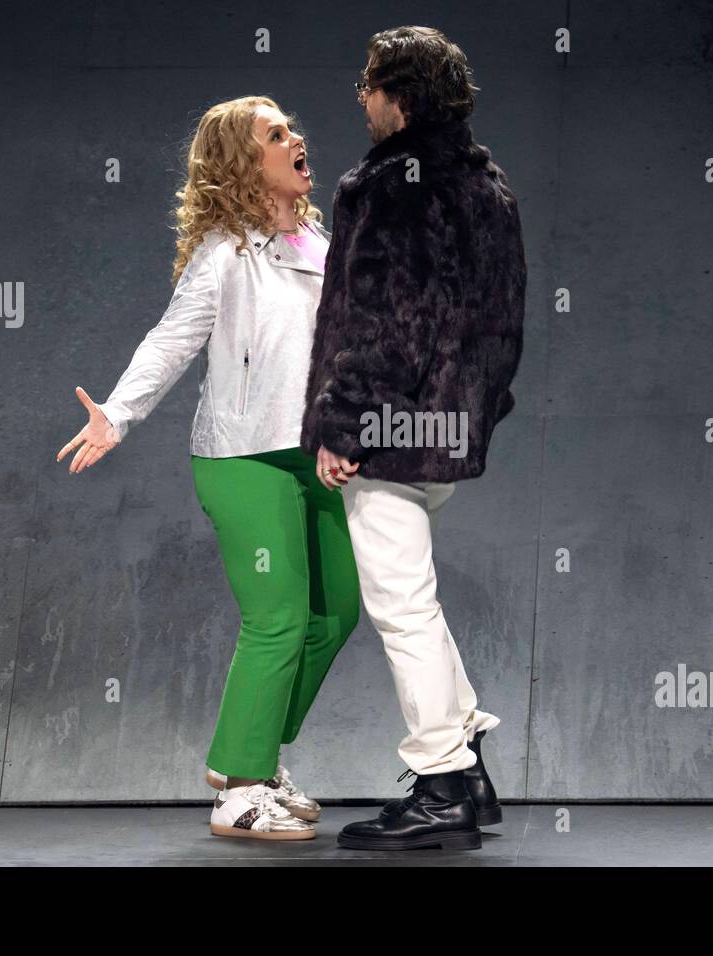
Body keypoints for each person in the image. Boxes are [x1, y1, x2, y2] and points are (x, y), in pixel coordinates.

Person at [57, 95, 360, 842]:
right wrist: (118, 414)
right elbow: (171, 341)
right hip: (243, 456)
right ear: (242, 161)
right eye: (276, 133)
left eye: (293, 127)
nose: (297, 138)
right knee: (280, 617)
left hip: (311, 453)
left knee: (336, 612)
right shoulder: (225, 252)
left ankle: (247, 756)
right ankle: (240, 787)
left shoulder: (319, 239)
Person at [300, 26, 527, 850]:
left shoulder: (391, 185)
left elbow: (384, 321)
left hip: (389, 426)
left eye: (368, 85)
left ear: (400, 96)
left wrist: (342, 423)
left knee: (399, 604)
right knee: (412, 596)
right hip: (444, 424)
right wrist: (474, 408)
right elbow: (500, 322)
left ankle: (441, 782)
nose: (360, 99)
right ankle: (465, 769)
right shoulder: (485, 183)